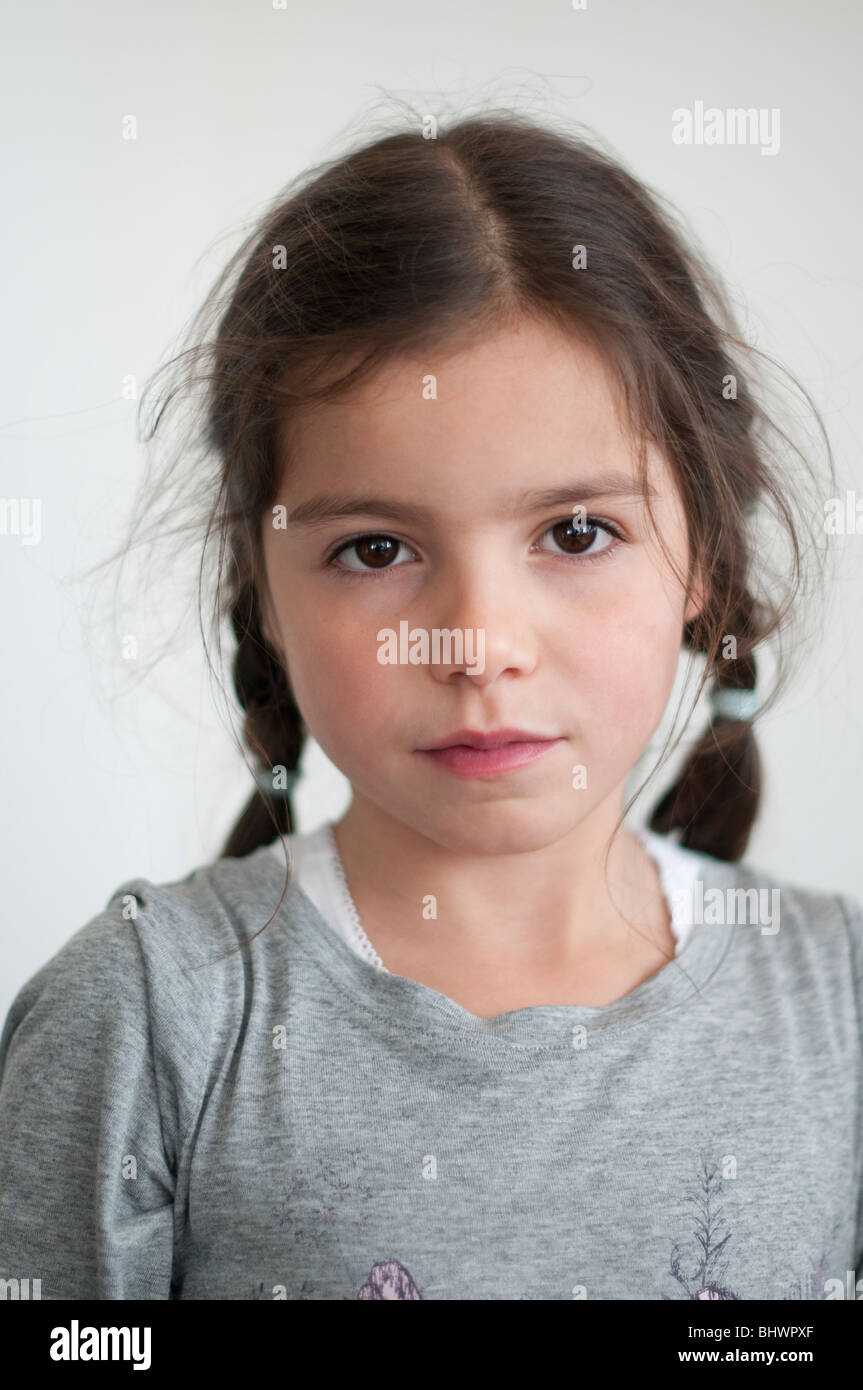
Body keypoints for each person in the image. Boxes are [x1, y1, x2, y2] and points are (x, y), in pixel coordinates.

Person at [1, 111, 860, 1302]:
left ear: (702, 556)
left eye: (574, 533)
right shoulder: (144, 1020)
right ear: (260, 586)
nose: (475, 644)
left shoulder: (842, 1006)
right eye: (374, 548)